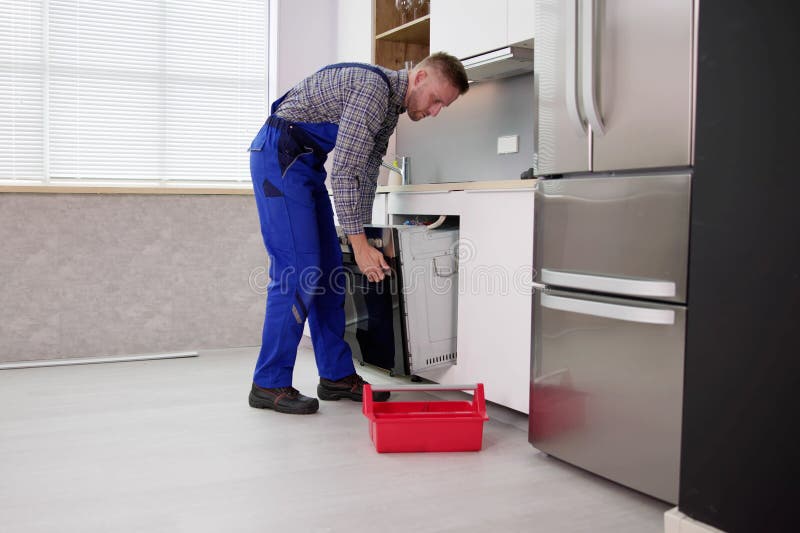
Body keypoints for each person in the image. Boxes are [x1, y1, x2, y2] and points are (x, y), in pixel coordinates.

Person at [247, 52, 469, 415]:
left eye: (442, 106)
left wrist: (361, 239)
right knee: (298, 269)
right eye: (436, 100)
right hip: (279, 156)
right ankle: (268, 381)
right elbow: (346, 170)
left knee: (331, 270)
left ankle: (335, 376)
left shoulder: (387, 111)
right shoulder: (373, 90)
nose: (435, 112)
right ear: (419, 77)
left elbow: (365, 175)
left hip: (304, 163)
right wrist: (361, 246)